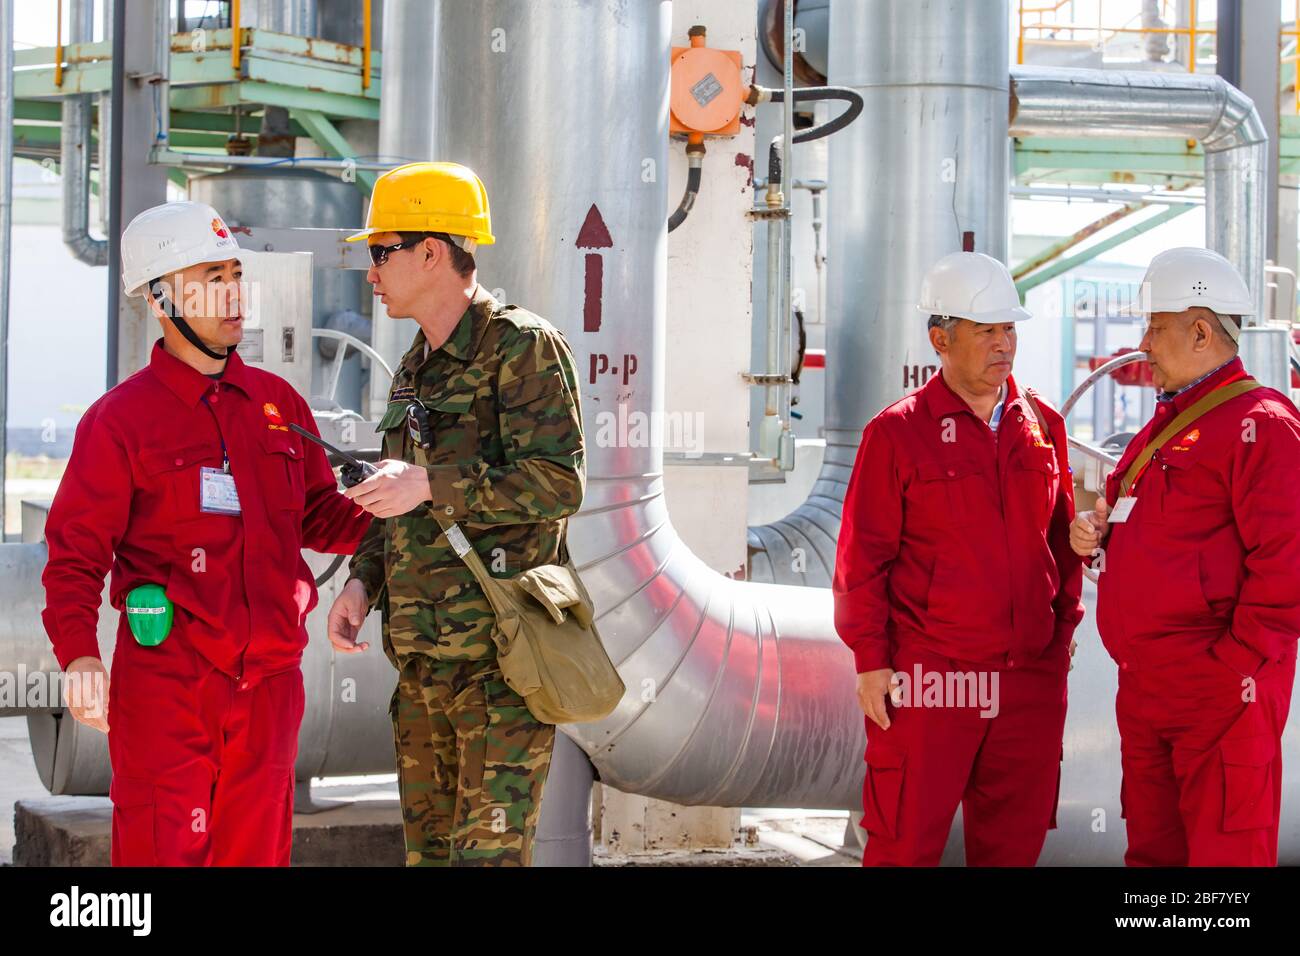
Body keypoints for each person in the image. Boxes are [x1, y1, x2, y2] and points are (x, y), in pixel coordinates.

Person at [41, 200, 373, 866]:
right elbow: (75, 556)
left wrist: (394, 503)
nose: (233, 295)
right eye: (210, 278)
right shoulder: (120, 423)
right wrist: (80, 656)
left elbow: (319, 517)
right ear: (164, 298)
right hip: (169, 691)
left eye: (234, 274)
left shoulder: (279, 407)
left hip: (271, 693)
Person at [327, 162, 586, 866]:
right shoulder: (414, 366)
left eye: (381, 251)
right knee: (431, 860)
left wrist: (431, 482)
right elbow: (399, 502)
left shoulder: (521, 347)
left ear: (432, 252)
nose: (371, 271)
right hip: (421, 668)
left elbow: (557, 484)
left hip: (499, 668)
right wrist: (362, 581)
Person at [833, 251, 1083, 865]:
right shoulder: (896, 434)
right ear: (940, 338)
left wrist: (1061, 632)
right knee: (903, 843)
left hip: (1028, 679)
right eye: (986, 330)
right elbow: (861, 561)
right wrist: (871, 660)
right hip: (930, 679)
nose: (1004, 344)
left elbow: (1060, 542)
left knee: (1013, 846)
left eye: (1009, 328)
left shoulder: (1042, 425)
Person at [1070, 247, 1300, 866]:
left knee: (1224, 863)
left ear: (1200, 331)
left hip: (1217, 694)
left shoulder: (1264, 426)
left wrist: (1228, 672)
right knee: (1153, 856)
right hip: (1149, 691)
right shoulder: (1164, 428)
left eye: (1155, 325)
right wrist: (1095, 528)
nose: (1143, 343)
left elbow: (1287, 568)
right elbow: (1132, 514)